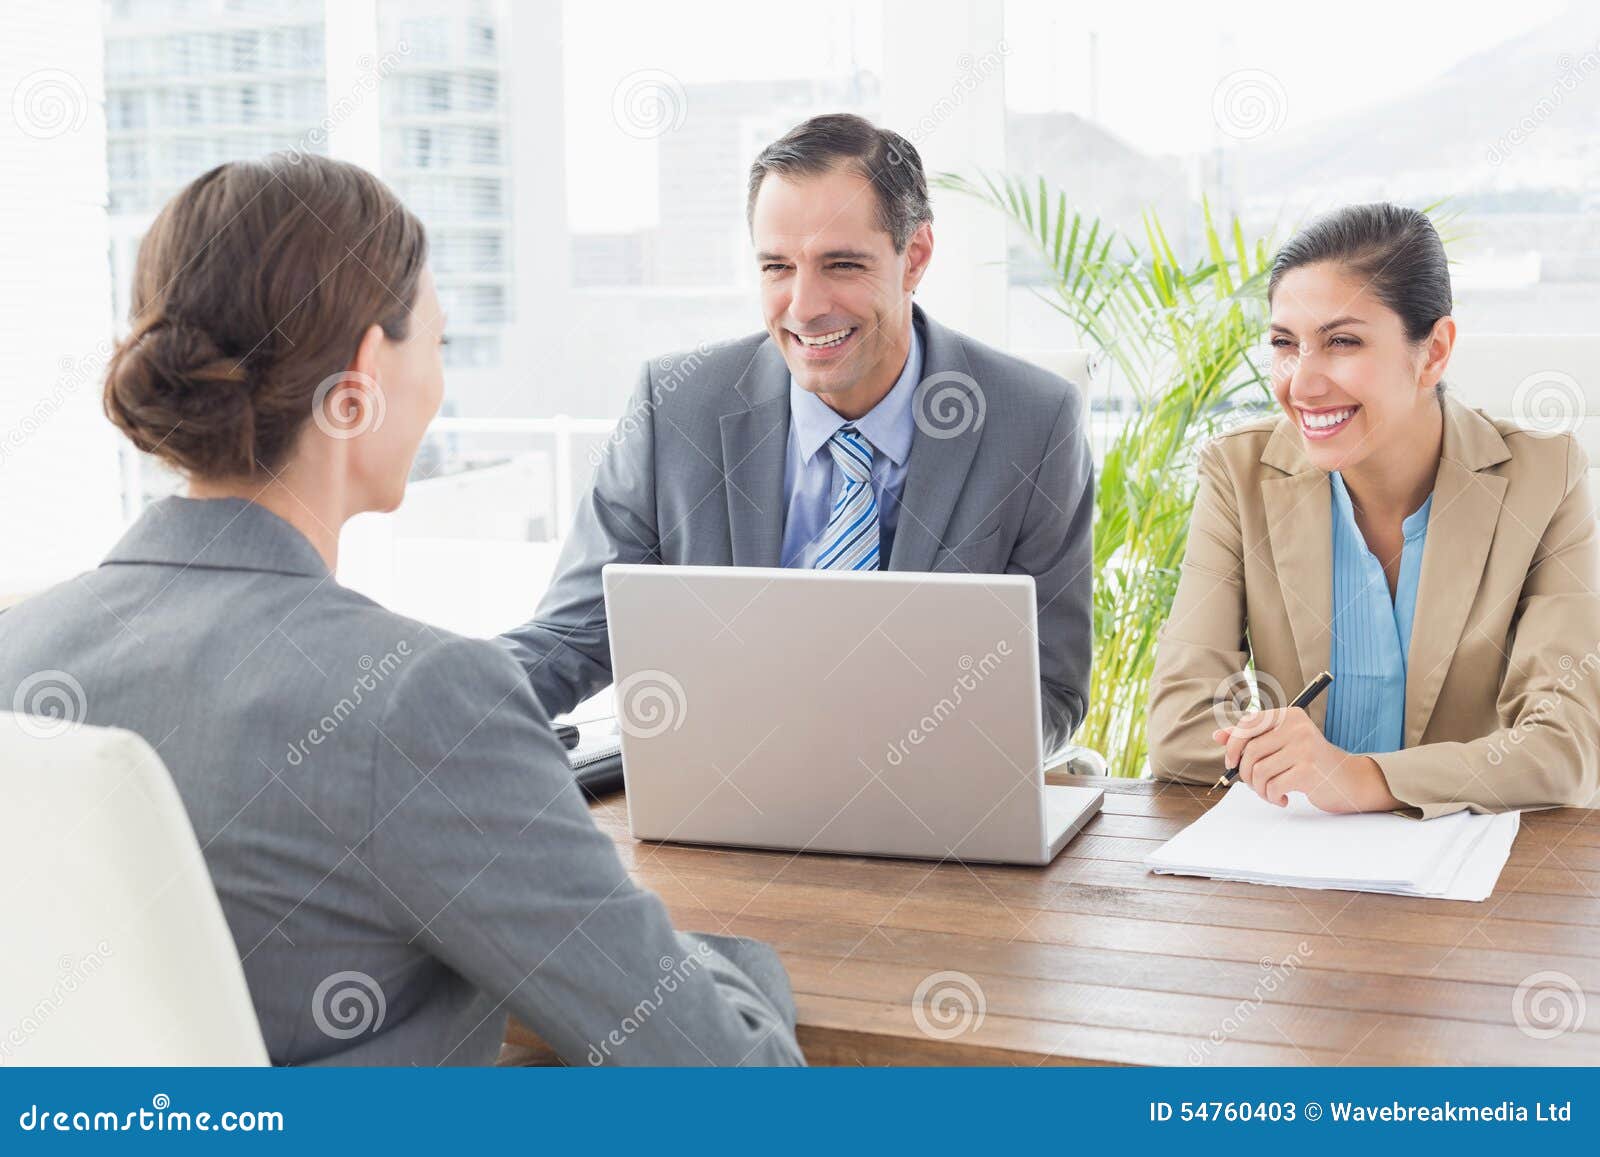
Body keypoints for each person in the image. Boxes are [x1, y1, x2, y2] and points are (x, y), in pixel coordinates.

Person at [0, 153, 803, 1066]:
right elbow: (734, 1080)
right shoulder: (422, 701)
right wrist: (715, 955)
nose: (440, 384)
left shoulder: (18, 651)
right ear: (368, 367)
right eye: (438, 343)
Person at [501, 114, 1094, 754]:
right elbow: (568, 640)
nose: (805, 307)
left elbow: (1051, 688)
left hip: (930, 793)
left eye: (841, 264)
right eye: (777, 266)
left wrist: (932, 760)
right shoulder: (673, 411)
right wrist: (440, 699)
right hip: (717, 793)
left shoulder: (1035, 424)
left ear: (915, 256)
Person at [1147, 202, 1600, 818]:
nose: (1301, 384)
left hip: (1471, 863)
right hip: (1296, 856)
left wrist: (1362, 778)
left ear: (1433, 351)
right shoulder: (1239, 474)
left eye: (1342, 342)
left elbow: (1565, 748)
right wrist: (1287, 761)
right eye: (1285, 344)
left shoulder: (1544, 479)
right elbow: (1180, 732)